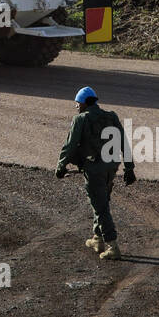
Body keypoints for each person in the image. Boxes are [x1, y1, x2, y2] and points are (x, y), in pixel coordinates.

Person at [56, 86, 135, 259]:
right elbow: (124, 142)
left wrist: (61, 166)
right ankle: (97, 239)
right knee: (101, 200)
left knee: (100, 207)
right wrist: (129, 167)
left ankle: (113, 246)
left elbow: (70, 146)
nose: (76, 107)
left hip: (94, 168)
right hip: (111, 167)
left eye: (77, 104)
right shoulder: (111, 116)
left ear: (84, 103)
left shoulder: (81, 119)